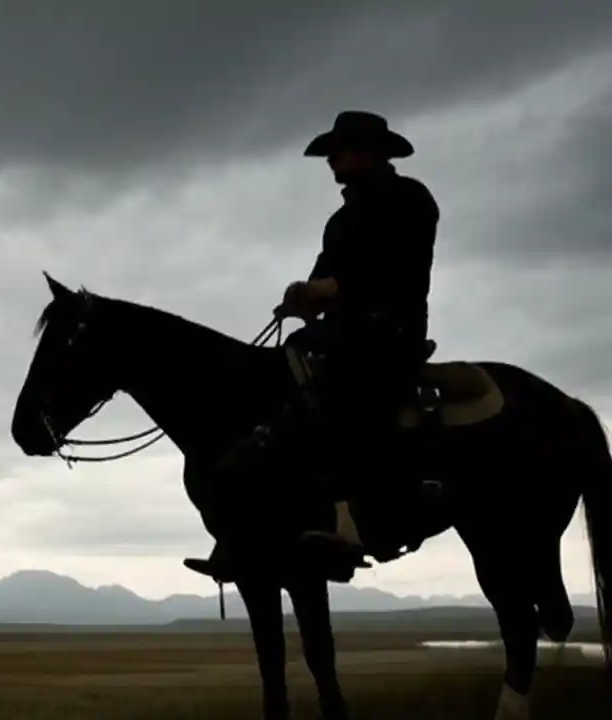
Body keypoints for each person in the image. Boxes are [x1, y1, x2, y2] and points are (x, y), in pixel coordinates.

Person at [185, 110, 440, 583]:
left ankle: (349, 525)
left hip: (388, 331)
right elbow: (326, 279)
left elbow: (396, 275)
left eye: (338, 151)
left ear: (368, 151)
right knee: (267, 386)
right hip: (337, 333)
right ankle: (250, 528)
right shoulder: (341, 220)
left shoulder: (410, 200)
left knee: (335, 393)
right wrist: (302, 298)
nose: (331, 162)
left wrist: (328, 290)